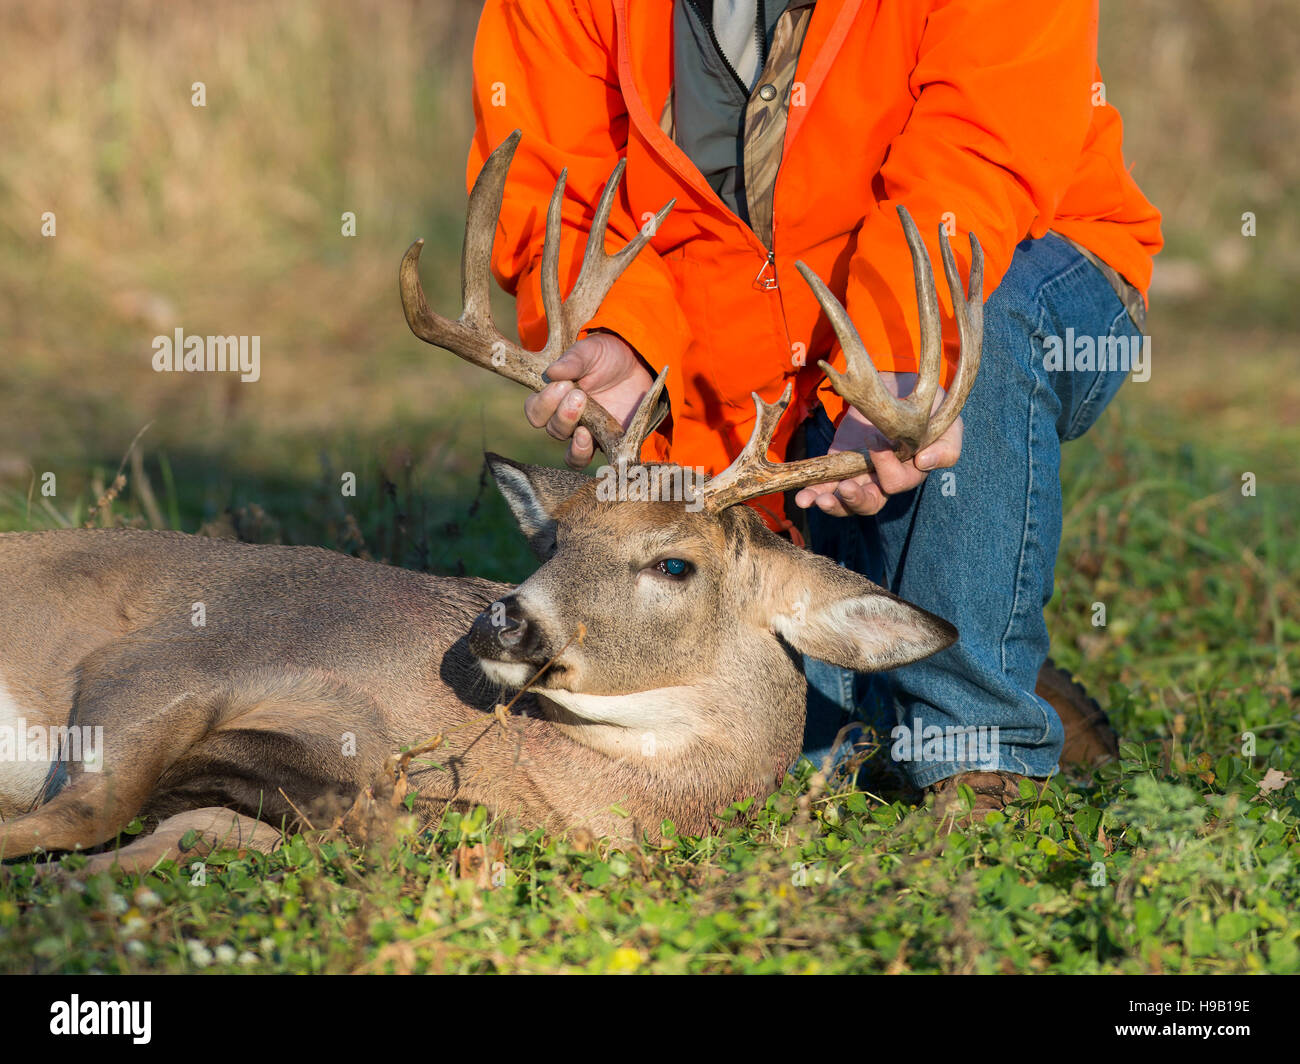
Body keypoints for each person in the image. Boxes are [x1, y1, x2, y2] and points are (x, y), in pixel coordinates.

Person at [466, 1, 1161, 818]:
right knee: (795, 737)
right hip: (739, 325)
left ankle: (978, 757)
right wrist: (625, 336)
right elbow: (556, 183)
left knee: (975, 330)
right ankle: (913, 673)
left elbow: (976, 157)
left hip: (1016, 251)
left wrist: (900, 351)